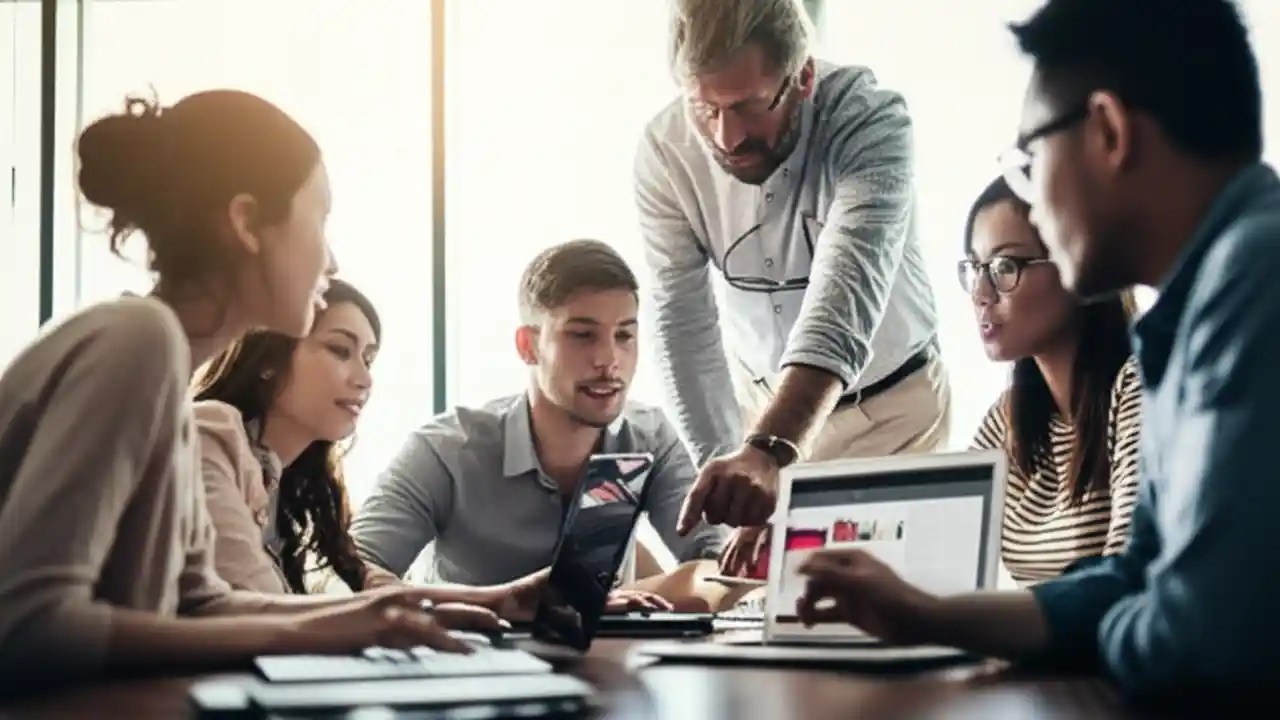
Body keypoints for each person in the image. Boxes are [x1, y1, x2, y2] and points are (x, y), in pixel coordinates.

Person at [792, 0, 1280, 700]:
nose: (1033, 201)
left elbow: (1200, 639)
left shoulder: (1256, 281)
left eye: (1031, 157)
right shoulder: (1196, 311)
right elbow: (1137, 576)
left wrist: (1116, 619)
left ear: (1109, 132)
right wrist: (925, 614)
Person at [0, 90, 490, 689]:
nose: (330, 260)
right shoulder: (139, 340)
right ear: (247, 222)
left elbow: (204, 602)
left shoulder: (169, 378)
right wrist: (324, 632)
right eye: (321, 218)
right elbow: (26, 626)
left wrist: (392, 613)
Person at [635, 0, 947, 539]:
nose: (727, 137)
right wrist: (733, 468)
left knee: (877, 606)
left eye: (749, 106)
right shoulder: (665, 151)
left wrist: (770, 449)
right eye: (706, 109)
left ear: (802, 76)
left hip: (891, 411)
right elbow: (683, 325)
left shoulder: (870, 120)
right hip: (758, 407)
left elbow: (846, 289)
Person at [351, 240, 732, 609]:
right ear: (527, 346)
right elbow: (347, 573)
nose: (608, 359)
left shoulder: (650, 438)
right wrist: (493, 602)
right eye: (582, 335)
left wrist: (598, 598)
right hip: (472, 664)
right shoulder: (446, 450)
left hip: (604, 665)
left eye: (624, 335)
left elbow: (719, 569)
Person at [192, 278, 544, 618]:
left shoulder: (296, 485)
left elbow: (371, 587)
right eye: (340, 350)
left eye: (369, 359)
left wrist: (503, 599)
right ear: (269, 358)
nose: (364, 379)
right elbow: (255, 608)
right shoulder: (213, 436)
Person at [962, 176, 1141, 585]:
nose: (981, 293)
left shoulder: (1135, 388)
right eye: (975, 268)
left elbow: (1126, 582)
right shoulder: (1008, 419)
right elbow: (936, 540)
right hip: (1048, 642)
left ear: (1073, 259)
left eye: (1006, 266)